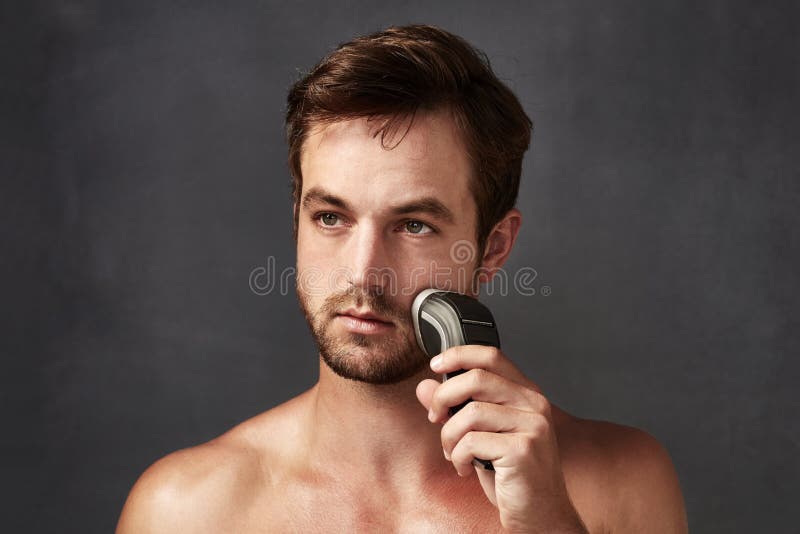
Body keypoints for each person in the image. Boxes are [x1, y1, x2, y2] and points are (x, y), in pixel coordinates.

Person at [116, 24, 688, 533]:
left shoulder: (620, 484)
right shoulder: (186, 511)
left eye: (414, 225)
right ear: (297, 220)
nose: (363, 272)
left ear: (492, 247)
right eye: (331, 218)